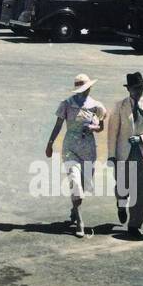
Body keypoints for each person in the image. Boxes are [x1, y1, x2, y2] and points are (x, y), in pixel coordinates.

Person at [45, 74, 107, 238]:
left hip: (88, 148)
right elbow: (58, 125)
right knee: (75, 181)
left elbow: (101, 127)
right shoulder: (67, 104)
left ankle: (74, 208)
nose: (84, 92)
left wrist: (93, 128)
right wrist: (50, 144)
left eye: (86, 89)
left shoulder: (96, 106)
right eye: (81, 89)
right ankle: (80, 220)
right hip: (70, 147)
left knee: (85, 182)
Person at [107, 71, 143, 238]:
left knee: (142, 191)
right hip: (123, 154)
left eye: (140, 87)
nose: (138, 91)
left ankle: (134, 225)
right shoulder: (120, 106)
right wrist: (111, 155)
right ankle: (121, 204)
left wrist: (141, 139)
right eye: (134, 88)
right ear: (129, 89)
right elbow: (112, 132)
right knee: (123, 187)